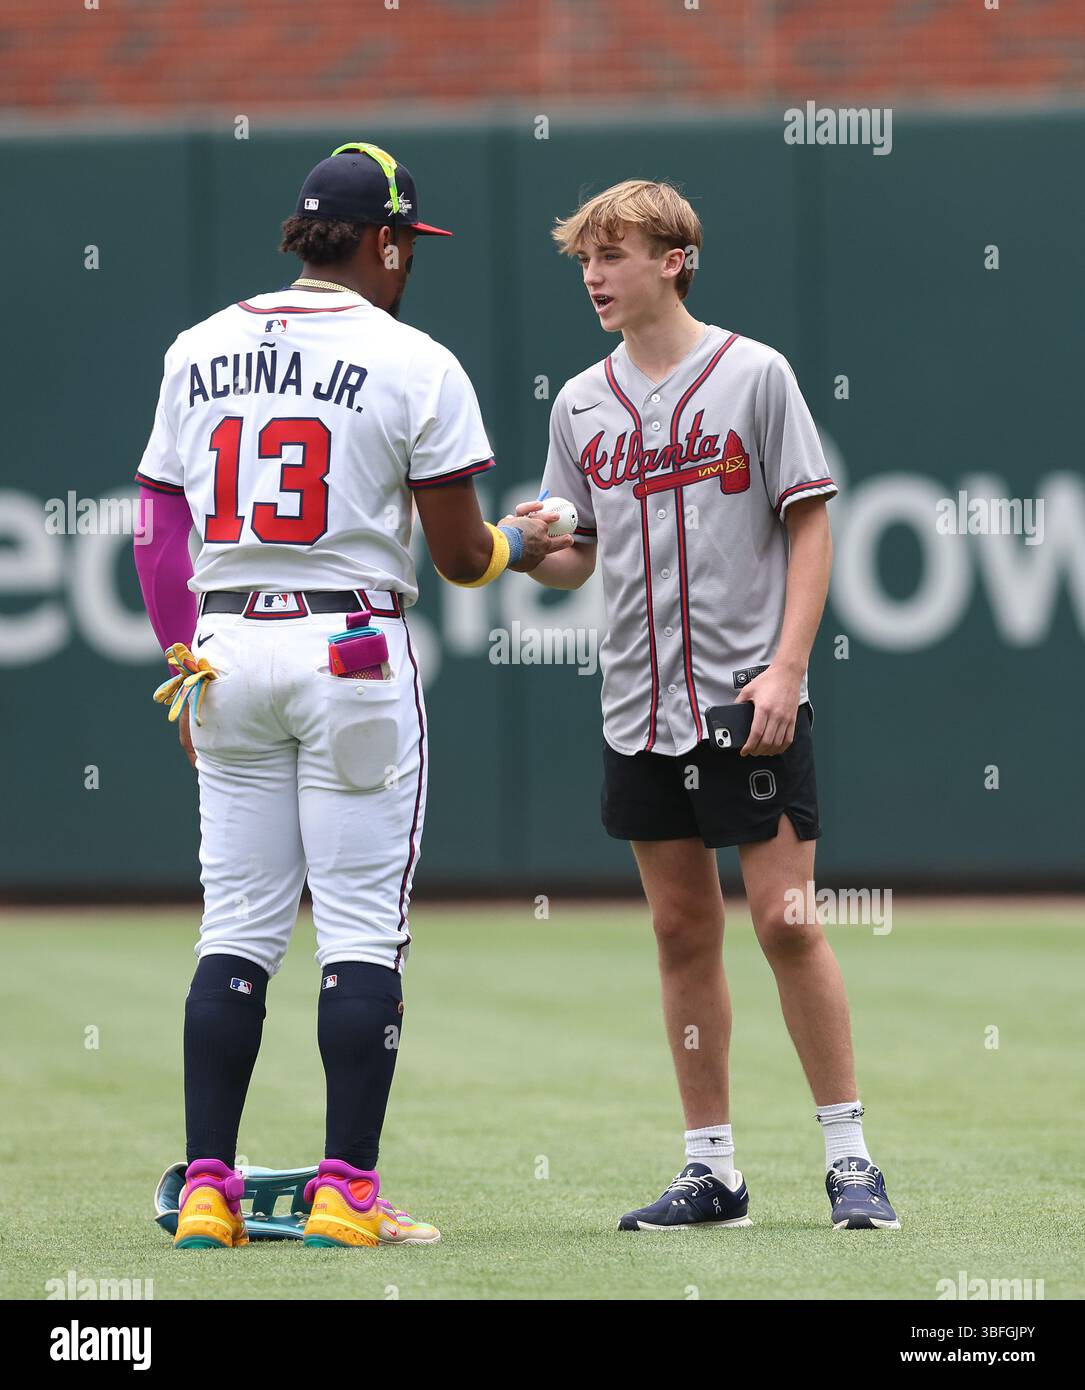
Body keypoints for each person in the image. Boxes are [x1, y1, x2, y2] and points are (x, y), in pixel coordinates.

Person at [133, 141, 568, 1249]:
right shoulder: (414, 359)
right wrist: (526, 539)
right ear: (380, 240)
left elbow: (157, 526)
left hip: (225, 649)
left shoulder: (198, 345)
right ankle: (344, 1190)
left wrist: (182, 654)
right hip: (353, 649)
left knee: (233, 928)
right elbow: (461, 553)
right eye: (404, 245)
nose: (406, 262)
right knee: (362, 931)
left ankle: (206, 1190)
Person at [509, 179, 900, 1232]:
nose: (593, 274)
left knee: (782, 920)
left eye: (613, 254)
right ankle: (710, 1171)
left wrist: (785, 668)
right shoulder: (578, 403)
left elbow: (809, 527)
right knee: (683, 931)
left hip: (745, 701)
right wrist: (526, 550)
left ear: (673, 260)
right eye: (584, 259)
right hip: (635, 703)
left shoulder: (753, 374)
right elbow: (575, 560)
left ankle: (850, 1157)